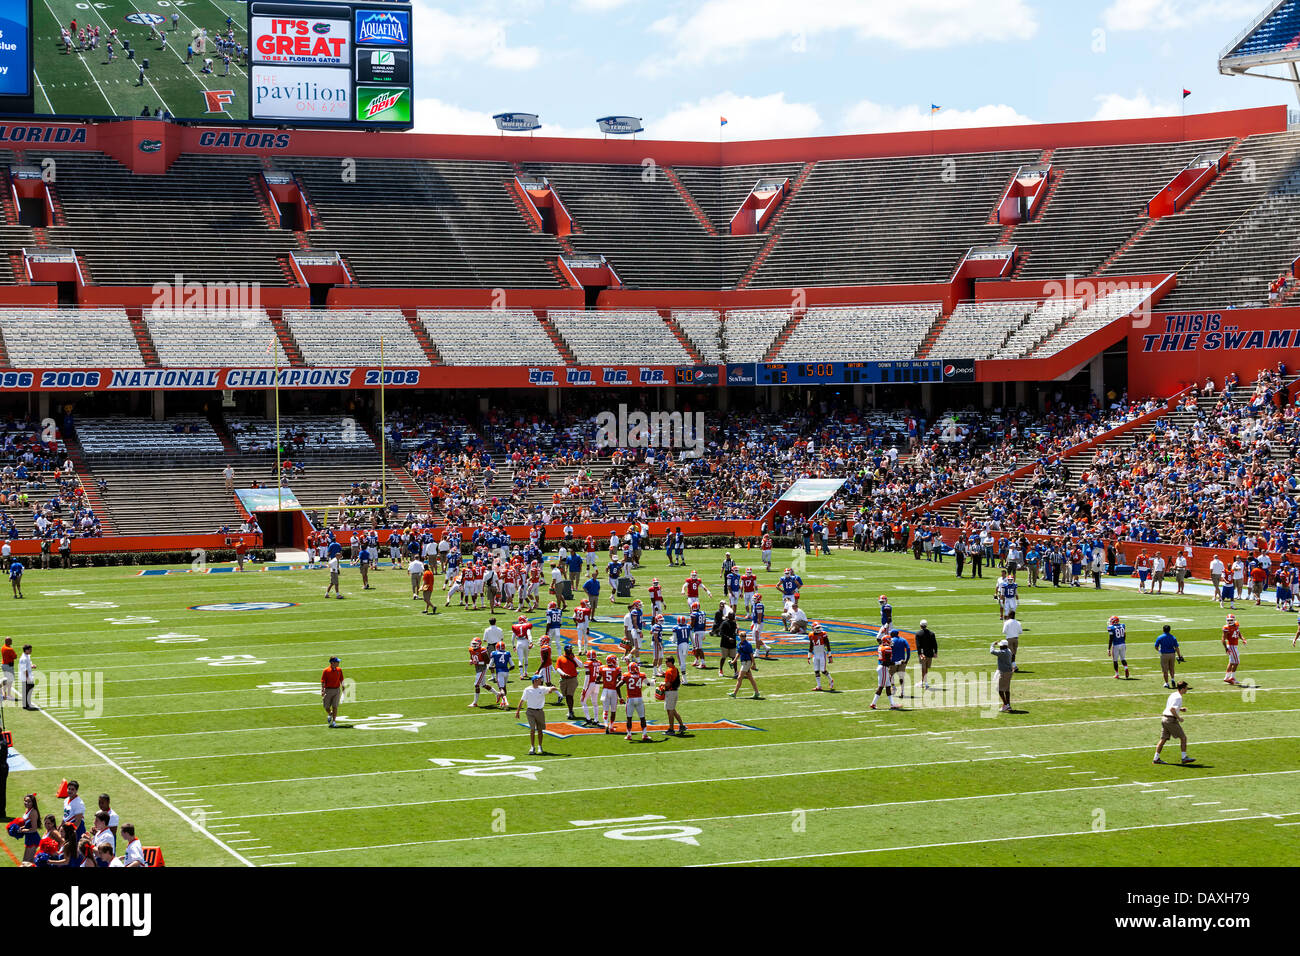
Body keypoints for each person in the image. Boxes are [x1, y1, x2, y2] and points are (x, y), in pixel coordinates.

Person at [1153, 681, 1194, 764]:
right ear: (1182, 689)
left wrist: (1180, 709)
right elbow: (1172, 709)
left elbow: (1170, 707)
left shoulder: (1173, 694)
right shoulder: (1179, 697)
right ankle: (1184, 757)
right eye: (1186, 688)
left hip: (1164, 718)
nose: (1187, 690)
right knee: (1183, 737)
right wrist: (1179, 718)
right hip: (1170, 720)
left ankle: (1156, 758)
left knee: (1163, 739)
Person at [516, 672, 556, 756]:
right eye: (539, 679)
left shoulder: (542, 688)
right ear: (535, 681)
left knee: (540, 730)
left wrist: (553, 688)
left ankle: (540, 746)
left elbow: (550, 689)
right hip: (530, 711)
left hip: (540, 711)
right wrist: (517, 712)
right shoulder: (527, 690)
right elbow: (522, 701)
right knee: (532, 729)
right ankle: (532, 747)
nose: (541, 681)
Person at [620, 661, 652, 742]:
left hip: (630, 699)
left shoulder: (626, 676)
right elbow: (648, 684)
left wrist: (620, 697)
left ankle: (629, 735)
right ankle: (644, 734)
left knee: (629, 718)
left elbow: (617, 686)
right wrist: (653, 682)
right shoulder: (641, 675)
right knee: (642, 718)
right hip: (639, 699)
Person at [870, 632, 898, 710]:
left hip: (882, 667)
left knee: (888, 686)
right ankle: (873, 703)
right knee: (881, 687)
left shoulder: (881, 646)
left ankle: (892, 704)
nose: (890, 641)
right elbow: (887, 662)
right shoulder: (887, 649)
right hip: (884, 668)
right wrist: (898, 662)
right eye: (889, 640)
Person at [729, 634, 760, 699]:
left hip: (747, 662)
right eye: (742, 636)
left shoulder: (748, 645)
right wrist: (734, 661)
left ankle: (734, 693)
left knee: (739, 677)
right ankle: (757, 692)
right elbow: (738, 654)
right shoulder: (739, 644)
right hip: (743, 662)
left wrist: (754, 664)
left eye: (744, 636)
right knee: (750, 678)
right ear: (740, 637)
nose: (743, 637)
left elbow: (751, 654)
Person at [661, 655, 684, 736]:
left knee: (670, 711)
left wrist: (662, 684)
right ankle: (681, 726)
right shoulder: (675, 669)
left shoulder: (668, 671)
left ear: (670, 662)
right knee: (673, 710)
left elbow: (667, 684)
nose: (665, 663)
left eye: (666, 661)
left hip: (670, 692)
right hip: (675, 692)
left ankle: (671, 729)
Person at [555, 644, 579, 720]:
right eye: (569, 649)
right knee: (565, 695)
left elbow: (581, 665)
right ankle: (570, 710)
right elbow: (558, 668)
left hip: (572, 679)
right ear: (566, 650)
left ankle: (570, 711)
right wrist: (564, 674)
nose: (571, 651)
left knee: (569, 695)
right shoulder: (560, 658)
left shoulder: (574, 657)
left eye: (571, 649)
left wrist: (574, 658)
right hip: (563, 679)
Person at [808, 622, 834, 691]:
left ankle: (831, 680)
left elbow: (828, 645)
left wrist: (830, 656)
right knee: (816, 671)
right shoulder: (811, 635)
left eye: (818, 627)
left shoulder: (823, 634)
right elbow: (811, 646)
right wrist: (809, 656)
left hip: (822, 654)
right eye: (816, 627)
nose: (818, 629)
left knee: (823, 670)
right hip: (815, 655)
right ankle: (819, 686)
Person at [990, 639, 1015, 713]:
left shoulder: (1003, 652)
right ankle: (1008, 705)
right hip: (1008, 672)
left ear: (1004, 646)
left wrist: (992, 645)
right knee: (1006, 690)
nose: (1000, 647)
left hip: (1004, 673)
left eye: (1001, 646)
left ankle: (1006, 704)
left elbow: (992, 651)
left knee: (999, 689)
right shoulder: (1008, 650)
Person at [1221, 613, 1246, 685]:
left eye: (1231, 620)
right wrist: (1226, 648)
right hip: (1231, 646)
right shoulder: (1226, 628)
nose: (1229, 621)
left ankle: (1227, 677)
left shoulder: (1236, 624)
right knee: (1236, 662)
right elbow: (1223, 639)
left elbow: (1238, 632)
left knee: (1231, 662)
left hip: (1234, 645)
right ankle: (1232, 677)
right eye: (1228, 620)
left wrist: (1243, 639)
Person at [915, 619, 938, 690]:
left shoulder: (918, 634)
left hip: (923, 654)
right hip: (930, 654)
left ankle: (924, 683)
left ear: (920, 625)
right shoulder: (932, 633)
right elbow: (935, 644)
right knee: (926, 668)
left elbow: (918, 645)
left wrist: (920, 653)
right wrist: (935, 652)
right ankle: (924, 681)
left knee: (923, 669)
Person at [321, 656, 344, 727]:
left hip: (337, 690)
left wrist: (343, 687)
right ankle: (330, 713)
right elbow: (323, 681)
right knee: (326, 706)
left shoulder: (339, 670)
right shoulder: (326, 671)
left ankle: (334, 721)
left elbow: (341, 679)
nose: (338, 663)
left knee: (335, 706)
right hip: (328, 690)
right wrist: (322, 690)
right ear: (332, 663)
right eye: (337, 662)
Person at [1107, 615, 1129, 680]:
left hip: (1116, 645)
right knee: (1123, 659)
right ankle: (1126, 668)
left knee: (1115, 660)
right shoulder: (1123, 625)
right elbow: (1124, 635)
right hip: (1123, 644)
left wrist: (1108, 649)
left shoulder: (1111, 628)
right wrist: (1122, 641)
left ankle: (1117, 674)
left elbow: (1111, 639)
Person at [19, 644, 36, 710]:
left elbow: (28, 664)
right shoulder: (23, 658)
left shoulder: (27, 656)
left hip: (28, 675)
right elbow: (24, 669)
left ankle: (26, 704)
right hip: (26, 676)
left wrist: (32, 665)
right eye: (30, 649)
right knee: (27, 690)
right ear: (26, 650)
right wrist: (27, 678)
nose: (31, 650)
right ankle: (26, 705)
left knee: (28, 689)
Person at [1, 636, 16, 702]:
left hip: (4, 665)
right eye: (10, 640)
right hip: (8, 666)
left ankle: (4, 693)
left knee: (6, 680)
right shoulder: (9, 649)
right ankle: (8, 695)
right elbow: (15, 656)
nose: (11, 641)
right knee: (9, 681)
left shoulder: (3, 647)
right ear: (8, 641)